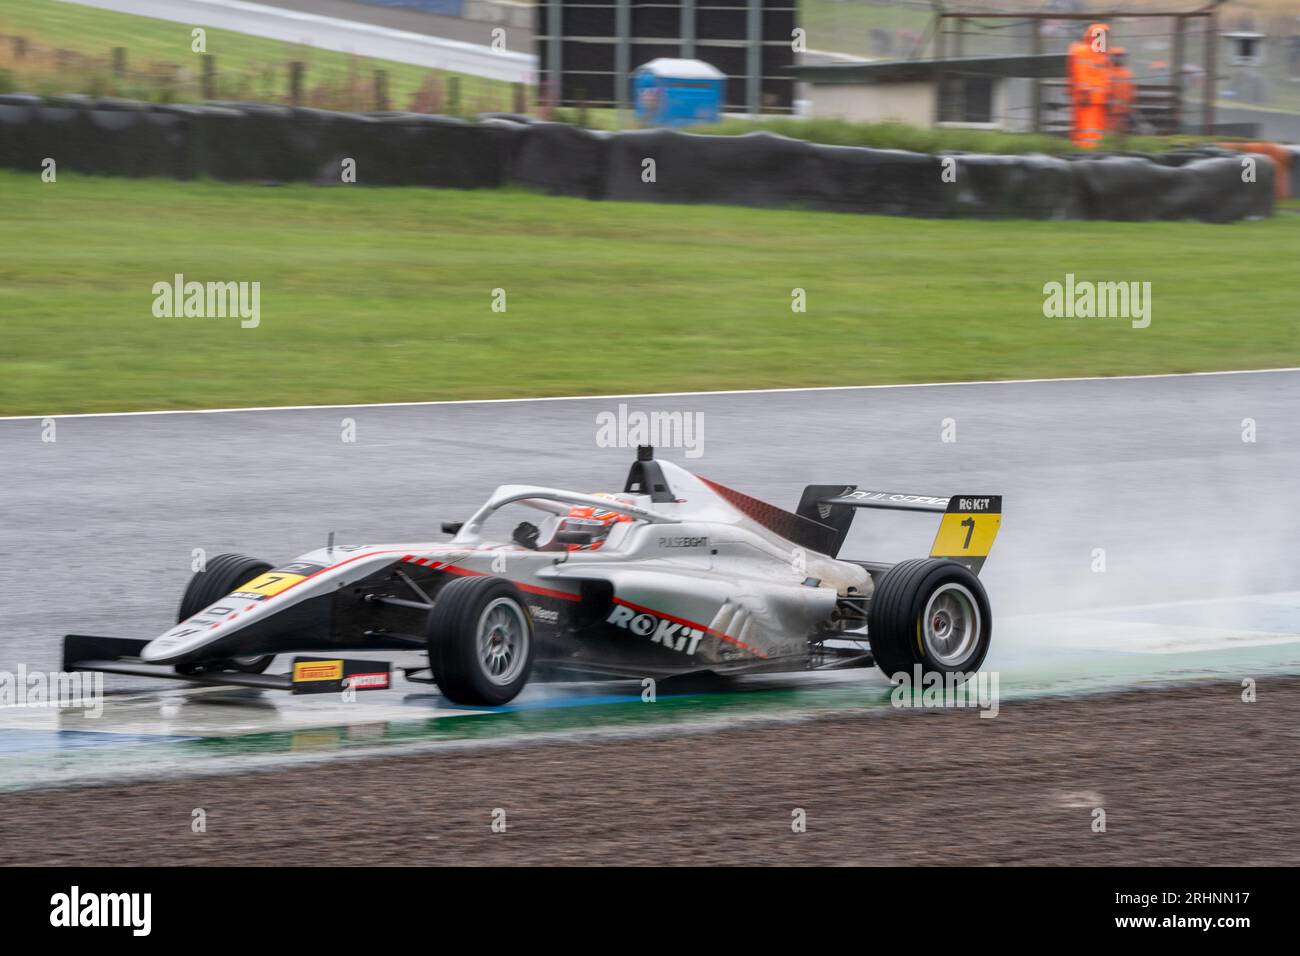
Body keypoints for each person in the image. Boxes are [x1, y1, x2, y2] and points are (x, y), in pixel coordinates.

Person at [1067, 23, 1111, 149]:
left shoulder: (1101, 55)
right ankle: (1086, 151)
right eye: (1103, 36)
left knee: (1096, 128)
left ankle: (1094, 150)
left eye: (1106, 36)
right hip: (1087, 99)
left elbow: (1103, 76)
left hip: (1099, 99)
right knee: (1087, 127)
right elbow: (1080, 74)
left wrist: (1107, 93)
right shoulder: (1083, 52)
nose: (1106, 40)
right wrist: (1084, 92)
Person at [1108, 46, 1135, 135]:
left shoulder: (1127, 73)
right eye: (1117, 56)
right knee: (1111, 134)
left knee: (1122, 135)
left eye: (1121, 56)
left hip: (1124, 112)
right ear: (1111, 57)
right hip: (1110, 113)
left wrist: (1131, 107)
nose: (1120, 59)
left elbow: (1131, 91)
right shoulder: (1106, 72)